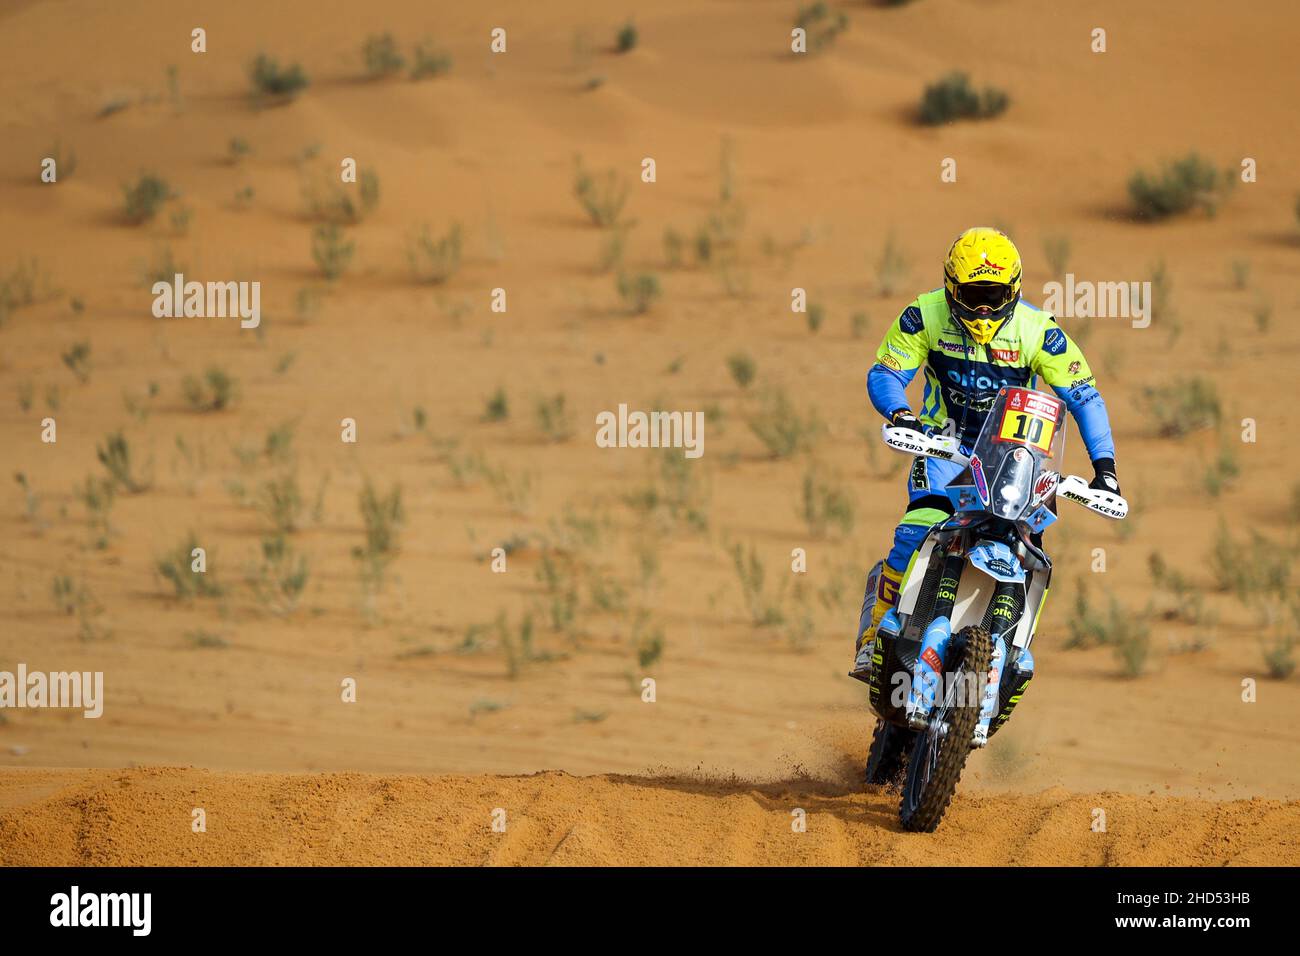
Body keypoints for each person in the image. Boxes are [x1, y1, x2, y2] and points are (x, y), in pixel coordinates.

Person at [851, 226, 1120, 679]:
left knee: (1031, 553)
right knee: (914, 532)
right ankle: (875, 634)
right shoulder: (923, 315)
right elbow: (885, 372)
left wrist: (1105, 470)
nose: (983, 307)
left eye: (994, 295)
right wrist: (900, 413)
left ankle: (1013, 650)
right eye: (973, 294)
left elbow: (1084, 397)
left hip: (1015, 460)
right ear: (951, 288)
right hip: (943, 446)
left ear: (1013, 290)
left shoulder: (1038, 332)